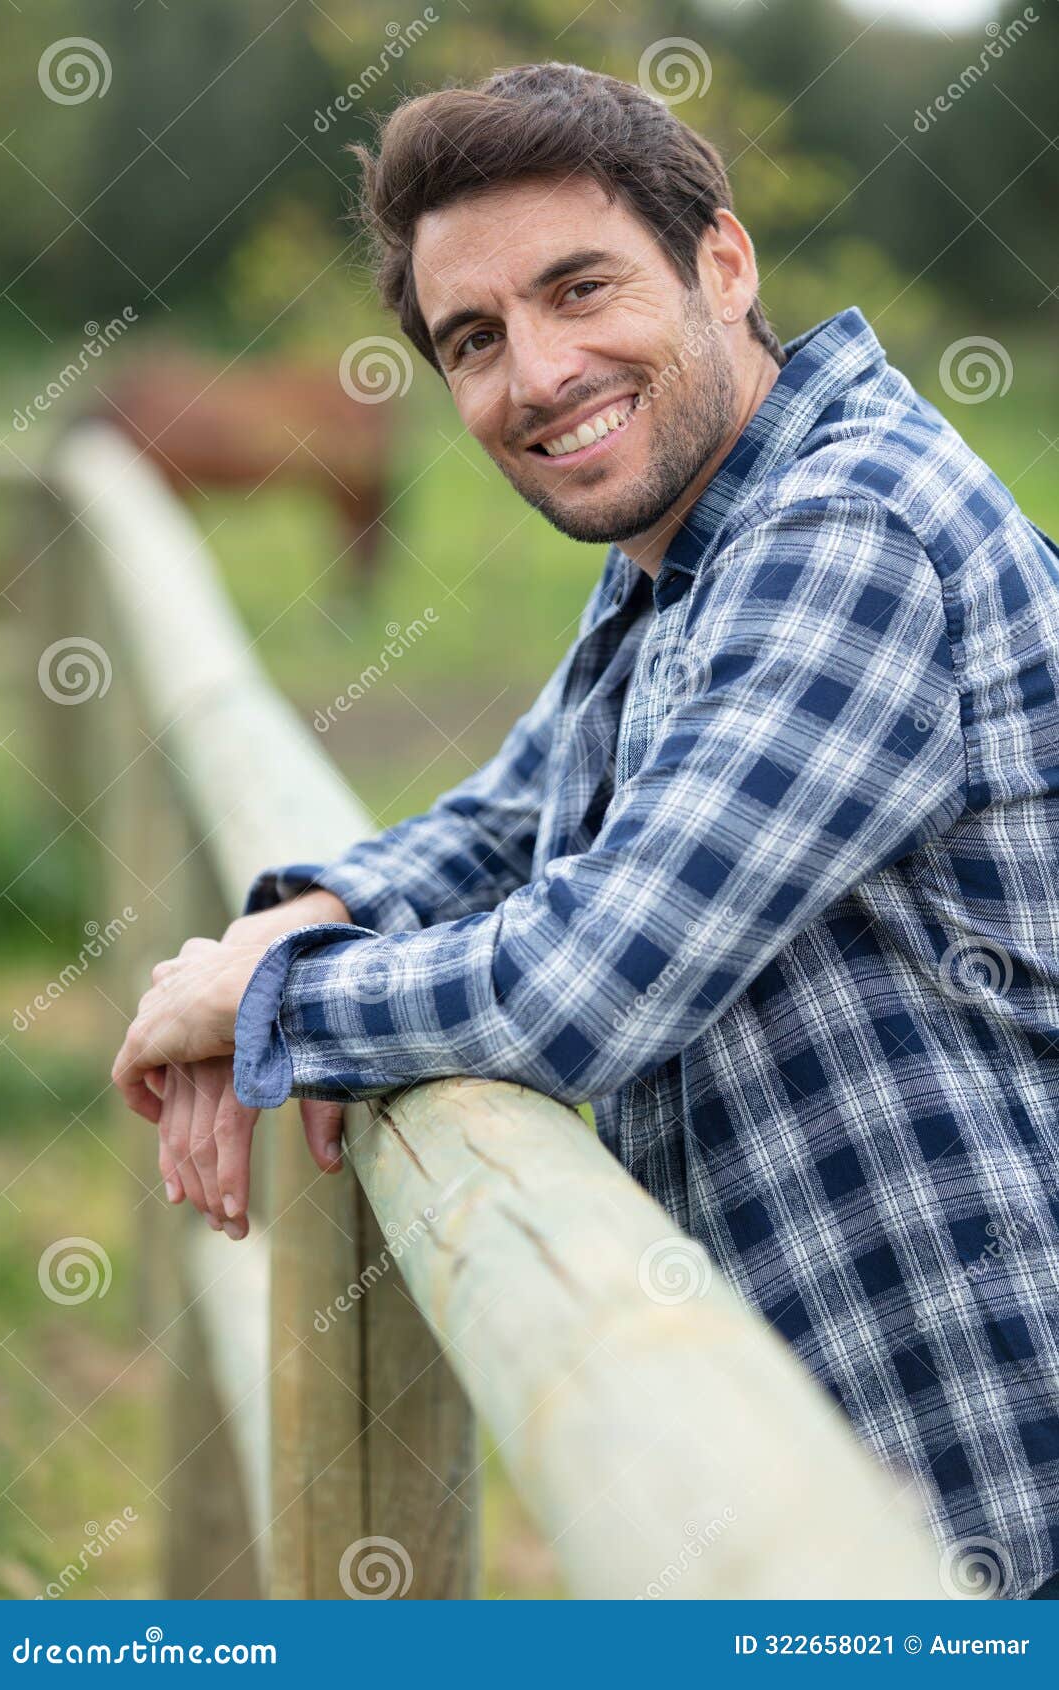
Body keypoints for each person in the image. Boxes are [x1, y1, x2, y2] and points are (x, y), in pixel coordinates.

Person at [112, 63, 1059, 1599]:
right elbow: (503, 819)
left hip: (968, 1499)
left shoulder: (844, 532)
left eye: (579, 287)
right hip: (788, 1467)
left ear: (724, 262)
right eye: (473, 339)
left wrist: (267, 1006)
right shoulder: (693, 537)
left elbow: (588, 981)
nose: (538, 374)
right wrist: (291, 922)